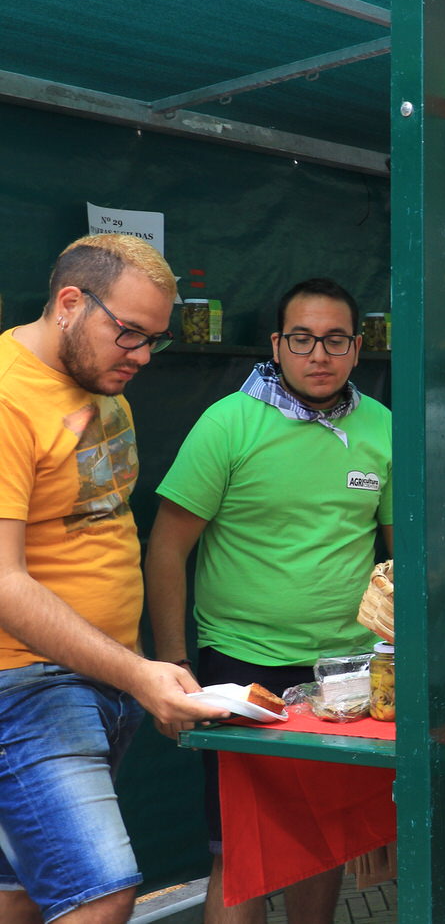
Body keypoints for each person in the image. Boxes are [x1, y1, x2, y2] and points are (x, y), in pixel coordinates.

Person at [145, 278, 394, 924]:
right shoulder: (228, 422)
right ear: (278, 344)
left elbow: (400, 559)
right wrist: (176, 665)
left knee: (322, 843)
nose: (320, 354)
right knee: (242, 855)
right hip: (240, 667)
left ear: (357, 347)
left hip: (347, 674)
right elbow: (167, 548)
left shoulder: (383, 428)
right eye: (304, 339)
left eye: (335, 339)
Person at [0, 235, 228, 924]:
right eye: (128, 333)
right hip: (30, 683)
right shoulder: (8, 396)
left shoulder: (104, 383)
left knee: (20, 891)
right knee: (100, 895)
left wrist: (144, 669)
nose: (140, 357)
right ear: (70, 302)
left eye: (153, 340)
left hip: (100, 675)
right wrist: (138, 672)